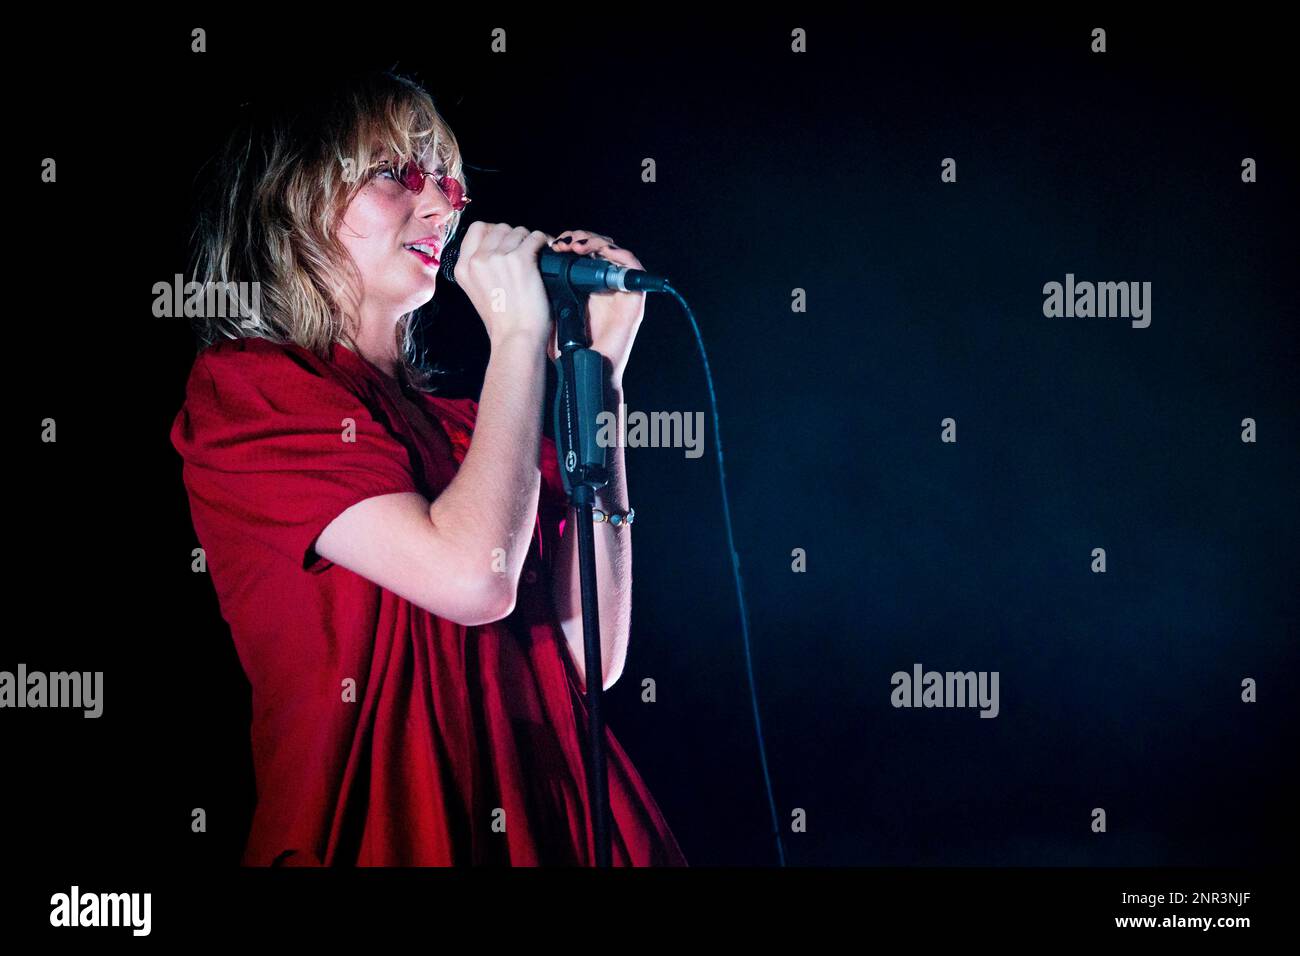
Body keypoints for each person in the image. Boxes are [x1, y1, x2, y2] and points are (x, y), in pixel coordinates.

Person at [169, 68, 687, 866]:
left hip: (541, 823)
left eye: (445, 177)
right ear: (292, 196)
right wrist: (517, 341)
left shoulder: (471, 434)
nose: (445, 205)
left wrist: (601, 379)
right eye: (394, 173)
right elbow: (472, 577)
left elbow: (591, 654)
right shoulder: (250, 394)